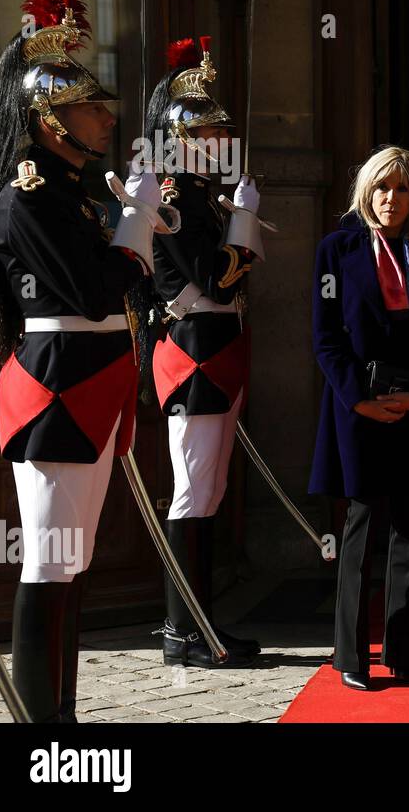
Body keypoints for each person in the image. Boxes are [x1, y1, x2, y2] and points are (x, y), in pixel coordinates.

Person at [0, 0, 163, 722]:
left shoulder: (71, 193)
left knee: (74, 561)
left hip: (90, 381)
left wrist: (129, 225)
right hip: (58, 386)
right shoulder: (26, 197)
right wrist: (139, 229)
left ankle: (61, 708)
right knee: (51, 559)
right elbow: (94, 294)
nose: (107, 117)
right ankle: (39, 723)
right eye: (91, 108)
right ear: (49, 119)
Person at [145, 36, 265, 668]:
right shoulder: (176, 194)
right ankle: (180, 631)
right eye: (212, 130)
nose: (221, 137)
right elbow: (216, 273)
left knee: (210, 492)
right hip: (194, 353)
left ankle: (202, 625)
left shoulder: (198, 191)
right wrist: (243, 226)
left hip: (215, 347)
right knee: (192, 492)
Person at [309, 146, 409, 691]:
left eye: (403, 189)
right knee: (360, 531)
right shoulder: (336, 251)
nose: (392, 198)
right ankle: (351, 658)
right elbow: (325, 337)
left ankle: (404, 653)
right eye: (382, 187)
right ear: (367, 191)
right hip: (355, 407)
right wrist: (359, 397)